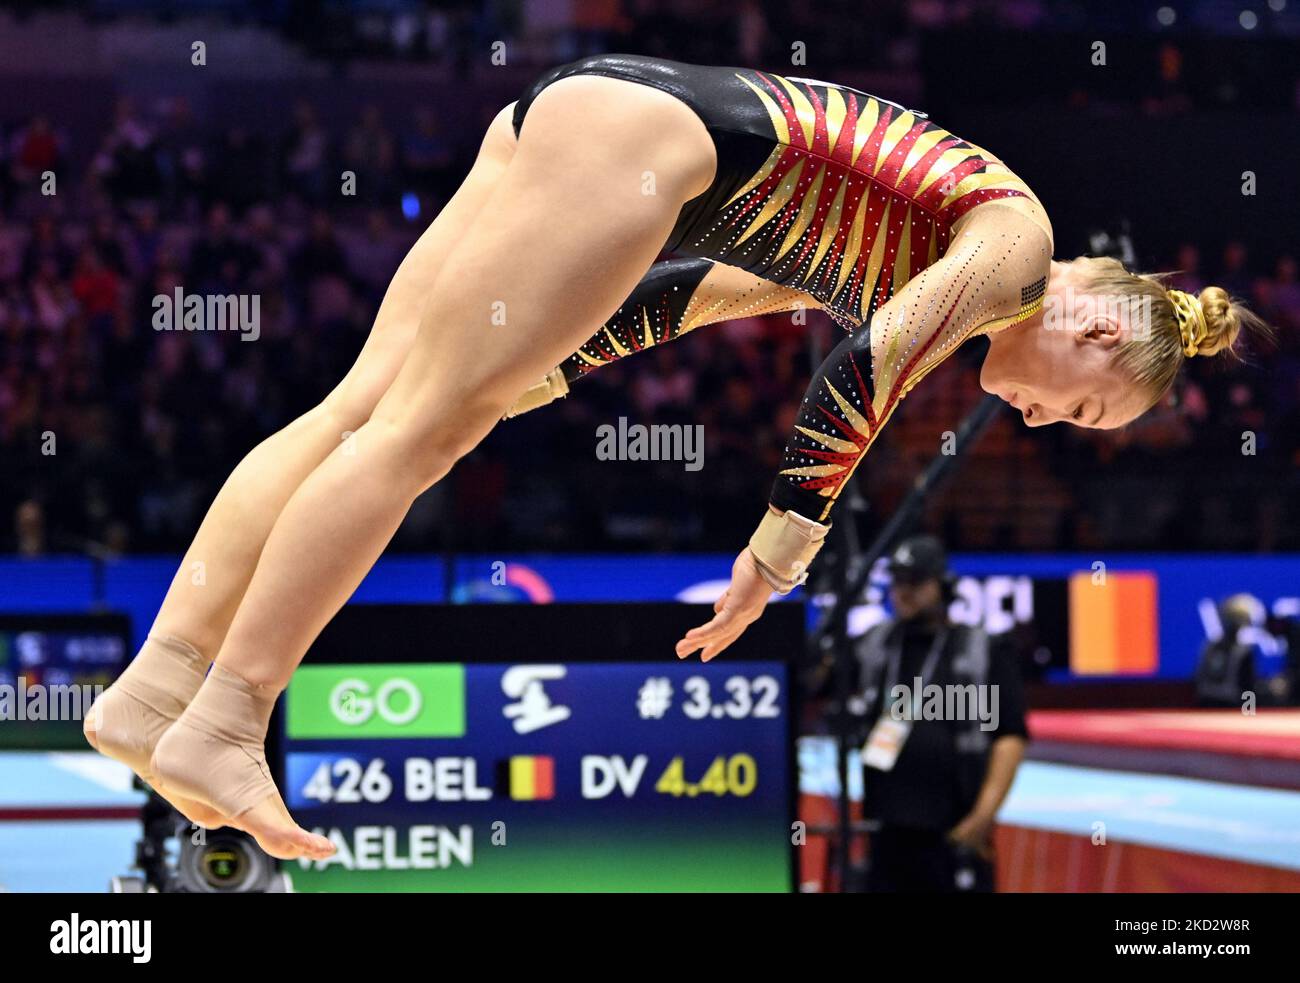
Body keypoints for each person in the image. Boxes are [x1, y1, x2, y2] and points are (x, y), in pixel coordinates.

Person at [84, 54, 1269, 860]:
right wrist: (779, 545)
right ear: (1099, 329)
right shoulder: (1017, 252)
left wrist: (556, 368)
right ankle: (228, 716)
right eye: (1082, 411)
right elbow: (865, 368)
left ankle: (158, 687)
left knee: (366, 409)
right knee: (418, 431)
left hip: (595, 123)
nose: (1045, 425)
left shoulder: (929, 236)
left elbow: (703, 291)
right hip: (642, 142)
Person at [854, 535, 1026, 892]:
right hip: (887, 831)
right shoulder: (878, 644)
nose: (903, 592)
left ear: (943, 585)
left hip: (955, 832)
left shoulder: (980, 649)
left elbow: (1010, 737)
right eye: (898, 582)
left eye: (915, 582)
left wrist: (982, 818)